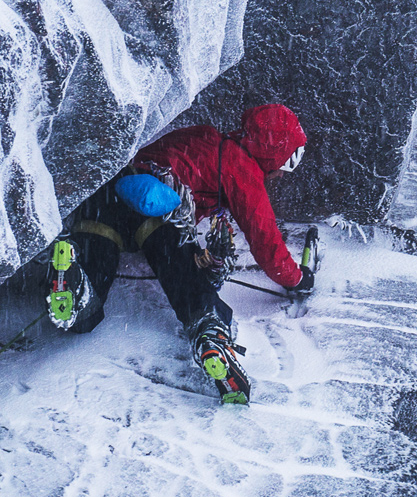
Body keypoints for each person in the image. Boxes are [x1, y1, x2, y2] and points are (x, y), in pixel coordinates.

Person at [44, 104, 314, 404]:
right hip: (154, 213)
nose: (280, 174)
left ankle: (76, 288)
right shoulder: (243, 170)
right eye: (286, 162)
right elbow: (266, 241)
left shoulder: (202, 136)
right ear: (273, 155)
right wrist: (296, 279)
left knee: (98, 257)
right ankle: (210, 335)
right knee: (179, 268)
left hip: (109, 194)